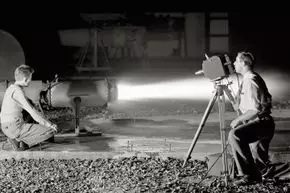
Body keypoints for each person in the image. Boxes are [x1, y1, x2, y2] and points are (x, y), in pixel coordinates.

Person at [228, 51, 275, 185]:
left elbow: (256, 109)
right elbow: (243, 105)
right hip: (260, 122)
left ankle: (247, 175)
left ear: (244, 63)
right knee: (259, 161)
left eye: (236, 61)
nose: (233, 63)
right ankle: (261, 172)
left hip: (262, 123)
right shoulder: (248, 79)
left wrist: (238, 120)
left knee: (235, 135)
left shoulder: (251, 80)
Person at [0, 64, 58, 151]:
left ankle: (18, 139)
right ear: (25, 79)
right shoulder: (18, 92)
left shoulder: (11, 88)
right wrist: (50, 124)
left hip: (6, 125)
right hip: (14, 127)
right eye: (30, 77)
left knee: (29, 114)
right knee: (51, 131)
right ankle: (18, 141)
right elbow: (33, 112)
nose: (31, 80)